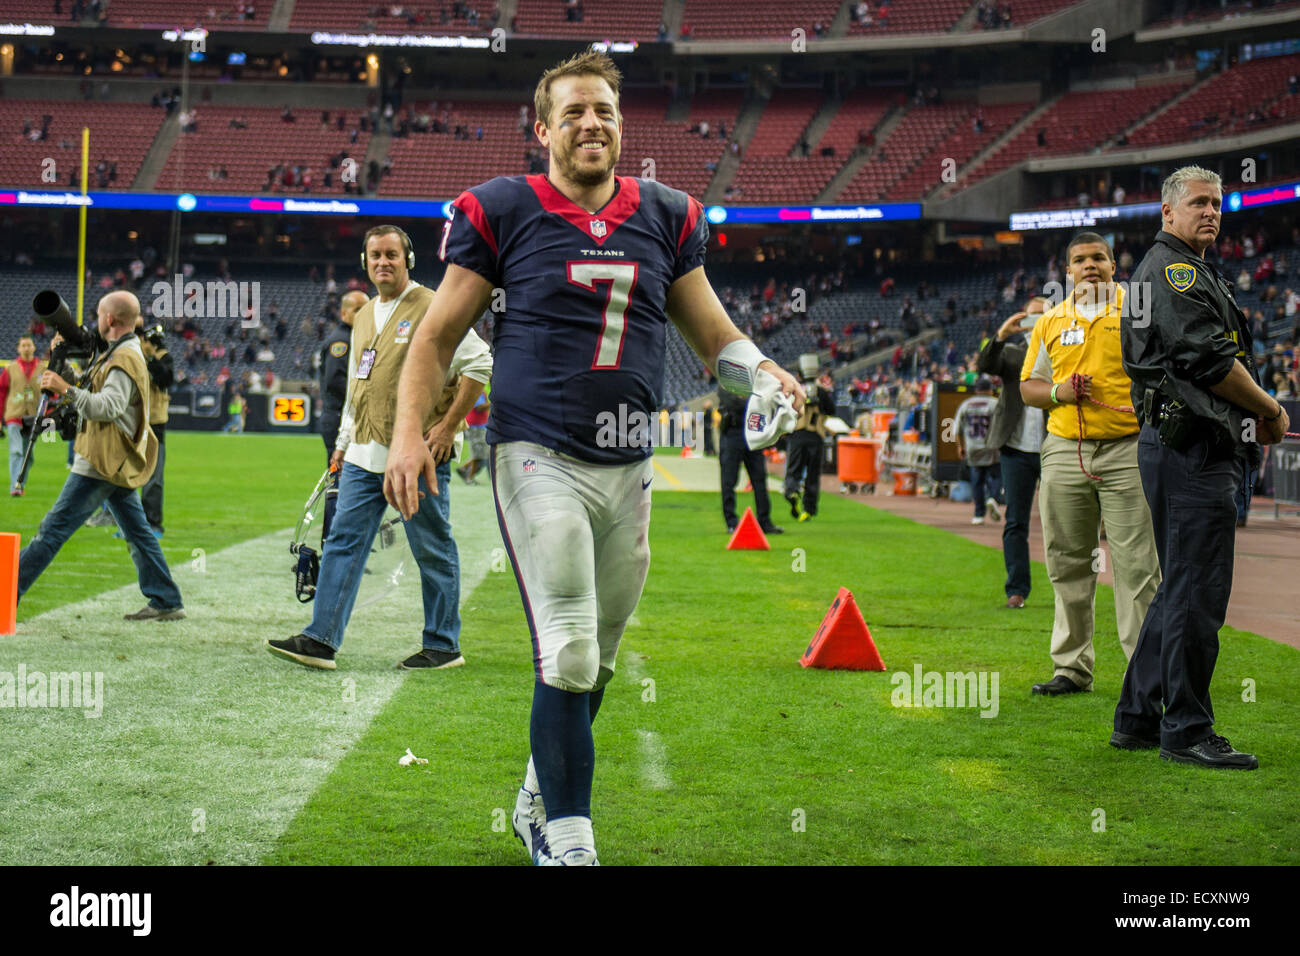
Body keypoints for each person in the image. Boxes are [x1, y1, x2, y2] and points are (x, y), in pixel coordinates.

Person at [382, 52, 803, 866]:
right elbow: (435, 337)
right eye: (573, 111)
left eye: (605, 111)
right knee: (568, 645)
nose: (591, 124)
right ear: (542, 129)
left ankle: (539, 795)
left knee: (596, 661)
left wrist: (765, 372)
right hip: (538, 453)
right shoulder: (503, 209)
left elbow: (716, 338)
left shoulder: (668, 214)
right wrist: (408, 433)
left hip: (629, 465)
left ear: (621, 125)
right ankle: (568, 840)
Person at [1113, 166, 1289, 769]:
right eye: (1198, 203)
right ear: (1168, 213)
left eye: (1217, 203)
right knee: (1197, 593)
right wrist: (1269, 408)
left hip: (1180, 446)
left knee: (1180, 589)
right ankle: (1186, 729)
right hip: (1192, 449)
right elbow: (1209, 360)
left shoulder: (1181, 268)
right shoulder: (1175, 270)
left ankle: (1137, 719)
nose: (1211, 212)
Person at [268, 225, 492, 672]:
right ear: (365, 262)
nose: (383, 262)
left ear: (408, 258)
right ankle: (321, 638)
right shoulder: (365, 314)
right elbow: (358, 387)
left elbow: (481, 361)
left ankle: (444, 644)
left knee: (431, 546)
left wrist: (448, 428)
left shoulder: (433, 305)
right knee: (342, 543)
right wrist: (341, 446)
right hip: (363, 455)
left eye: (392, 254)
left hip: (416, 455)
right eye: (375, 255)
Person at [1019, 232, 1160, 696]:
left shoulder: (1138, 311)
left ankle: (1145, 677)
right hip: (1065, 448)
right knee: (1066, 560)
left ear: (1114, 265)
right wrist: (1061, 391)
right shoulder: (1051, 320)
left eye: (1098, 257)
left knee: (1138, 566)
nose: (1090, 265)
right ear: (1068, 272)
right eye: (1080, 260)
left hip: (1127, 449)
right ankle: (1072, 668)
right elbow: (1030, 387)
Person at [17, 292, 184, 620]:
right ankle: (166, 599)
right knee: (138, 532)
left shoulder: (123, 357)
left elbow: (108, 407)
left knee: (51, 531)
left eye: (99, 315)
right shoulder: (120, 352)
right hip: (113, 458)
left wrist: (64, 389)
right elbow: (90, 387)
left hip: (101, 460)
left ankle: (6, 593)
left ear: (109, 320)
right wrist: (61, 364)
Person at [977, 295, 1047, 607]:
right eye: (1029, 319)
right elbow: (985, 364)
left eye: (1041, 317)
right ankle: (1017, 590)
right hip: (1016, 449)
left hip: (1055, 447)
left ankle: (1072, 590)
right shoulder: (1014, 353)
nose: (1034, 324)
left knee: (1065, 523)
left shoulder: (1064, 354)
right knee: (1016, 521)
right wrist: (1002, 334)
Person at [719, 385, 784, 534]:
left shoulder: (752, 382)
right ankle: (731, 522)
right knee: (728, 480)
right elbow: (733, 403)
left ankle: (765, 521)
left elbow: (764, 403)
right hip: (733, 433)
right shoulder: (725, 382)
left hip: (751, 433)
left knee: (759, 479)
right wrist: (754, 403)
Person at [782, 365, 835, 522]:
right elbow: (832, 410)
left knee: (793, 470)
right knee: (812, 475)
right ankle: (808, 509)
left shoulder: (793, 390)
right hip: (815, 437)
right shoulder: (821, 392)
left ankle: (791, 491)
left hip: (797, 435)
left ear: (799, 375)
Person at [320, 290, 366, 464]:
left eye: (366, 309)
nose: (362, 314)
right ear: (343, 313)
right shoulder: (342, 341)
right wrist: (362, 397)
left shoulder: (355, 337)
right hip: (339, 416)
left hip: (343, 415)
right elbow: (335, 380)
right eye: (357, 310)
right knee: (342, 477)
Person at [136, 319, 173, 536]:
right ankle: (130, 522)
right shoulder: (133, 357)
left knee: (154, 477)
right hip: (134, 421)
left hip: (156, 425)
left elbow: (165, 379)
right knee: (127, 475)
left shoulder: (164, 359)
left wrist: (150, 358)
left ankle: (153, 522)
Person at [954, 375, 1003, 526]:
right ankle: (993, 498)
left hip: (973, 448)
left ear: (976, 390)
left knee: (977, 482)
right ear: (990, 390)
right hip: (991, 446)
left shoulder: (966, 404)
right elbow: (1003, 426)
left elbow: (957, 430)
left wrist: (960, 447)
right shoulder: (995, 403)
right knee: (997, 476)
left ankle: (978, 514)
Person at [2, 334, 47, 495]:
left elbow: (50, 394)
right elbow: (2, 393)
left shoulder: (43, 369)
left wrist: (47, 415)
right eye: (24, 345)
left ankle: (21, 483)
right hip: (14, 415)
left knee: (29, 455)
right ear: (18, 349)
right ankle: (16, 486)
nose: (27, 348)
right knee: (16, 451)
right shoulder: (10, 368)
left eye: (29, 345)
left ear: (34, 347)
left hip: (33, 417)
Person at [456, 389, 489, 485]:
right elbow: (479, 407)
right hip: (475, 427)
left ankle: (464, 468)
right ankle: (469, 477)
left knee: (481, 453)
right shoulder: (476, 390)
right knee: (478, 453)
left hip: (480, 426)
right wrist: (495, 403)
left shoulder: (482, 392)